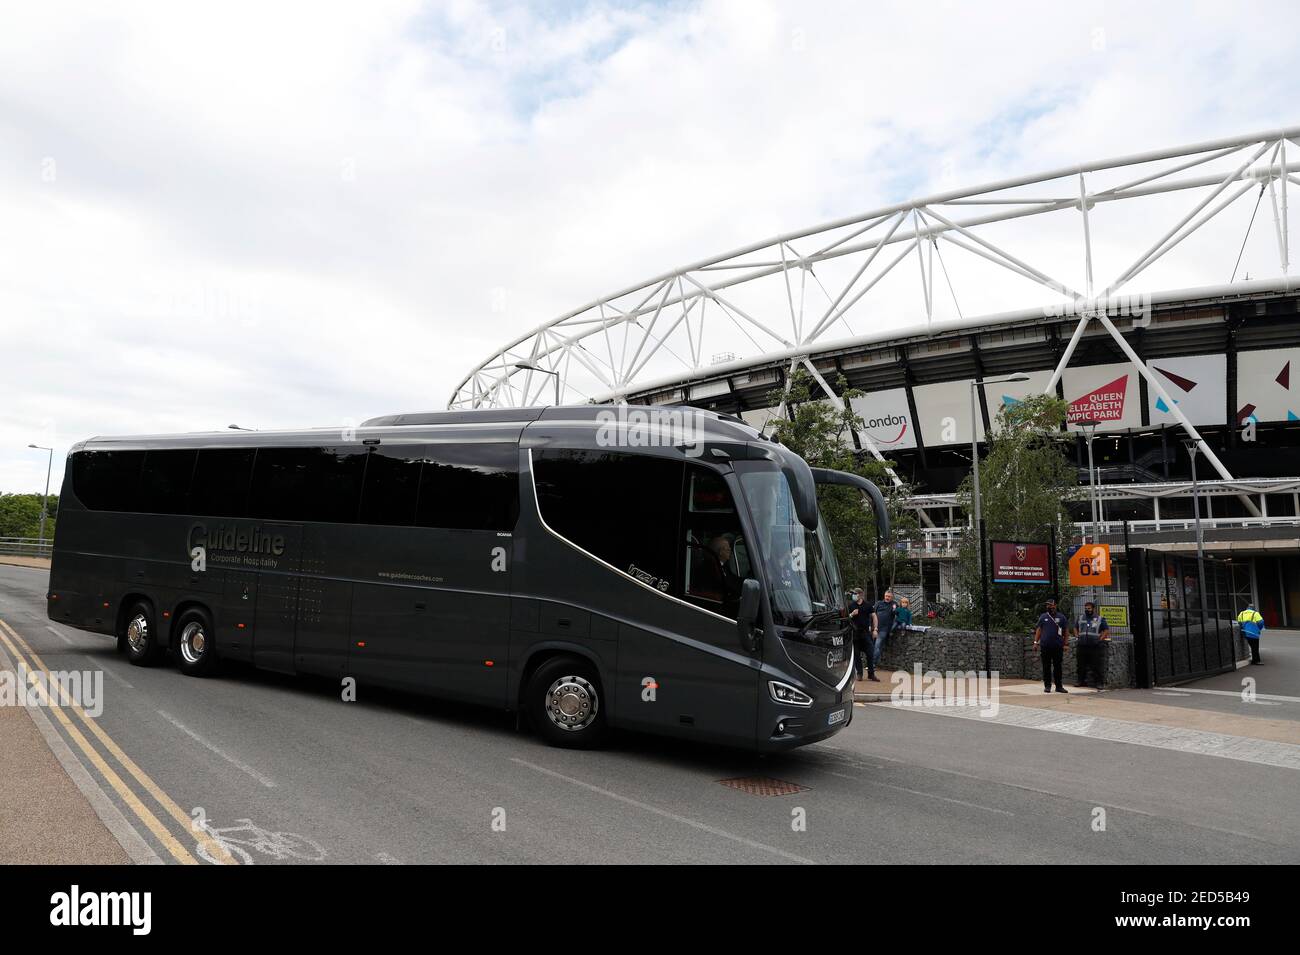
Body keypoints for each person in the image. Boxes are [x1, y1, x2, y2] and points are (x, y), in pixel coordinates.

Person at [1033, 598, 1070, 693]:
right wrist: (1035, 642)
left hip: (1057, 646)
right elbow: (1039, 630)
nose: (1049, 607)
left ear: (1055, 605)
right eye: (1047, 605)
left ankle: (1059, 686)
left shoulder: (1061, 617)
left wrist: (1066, 644)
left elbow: (1066, 631)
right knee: (1046, 666)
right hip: (1045, 646)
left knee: (1058, 666)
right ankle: (1047, 686)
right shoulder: (1043, 616)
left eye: (1050, 605)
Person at [1071, 601, 1110, 689]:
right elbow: (1075, 627)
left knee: (1096, 665)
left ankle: (1099, 683)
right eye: (1085, 608)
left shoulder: (1100, 618)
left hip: (1095, 646)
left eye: (1089, 608)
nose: (1087, 610)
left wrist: (1100, 639)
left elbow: (1106, 630)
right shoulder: (1080, 617)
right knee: (1081, 665)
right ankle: (1081, 681)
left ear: (1093, 609)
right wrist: (1077, 635)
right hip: (1082, 645)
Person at [847, 587, 877, 682]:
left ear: (860, 594)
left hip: (865, 633)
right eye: (853, 594)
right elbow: (845, 618)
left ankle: (871, 674)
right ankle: (859, 673)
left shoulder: (868, 605)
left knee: (870, 653)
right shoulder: (851, 605)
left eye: (855, 594)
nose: (853, 596)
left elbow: (874, 616)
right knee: (856, 654)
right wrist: (851, 614)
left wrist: (875, 629)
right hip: (855, 633)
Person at [871, 589, 900, 669]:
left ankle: (872, 664)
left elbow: (897, 614)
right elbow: (872, 614)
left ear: (892, 597)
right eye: (886, 596)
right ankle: (871, 662)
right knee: (871, 646)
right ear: (884, 596)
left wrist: (894, 609)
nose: (887, 598)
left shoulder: (894, 604)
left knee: (877, 645)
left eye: (889, 597)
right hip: (874, 628)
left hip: (884, 629)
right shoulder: (879, 603)